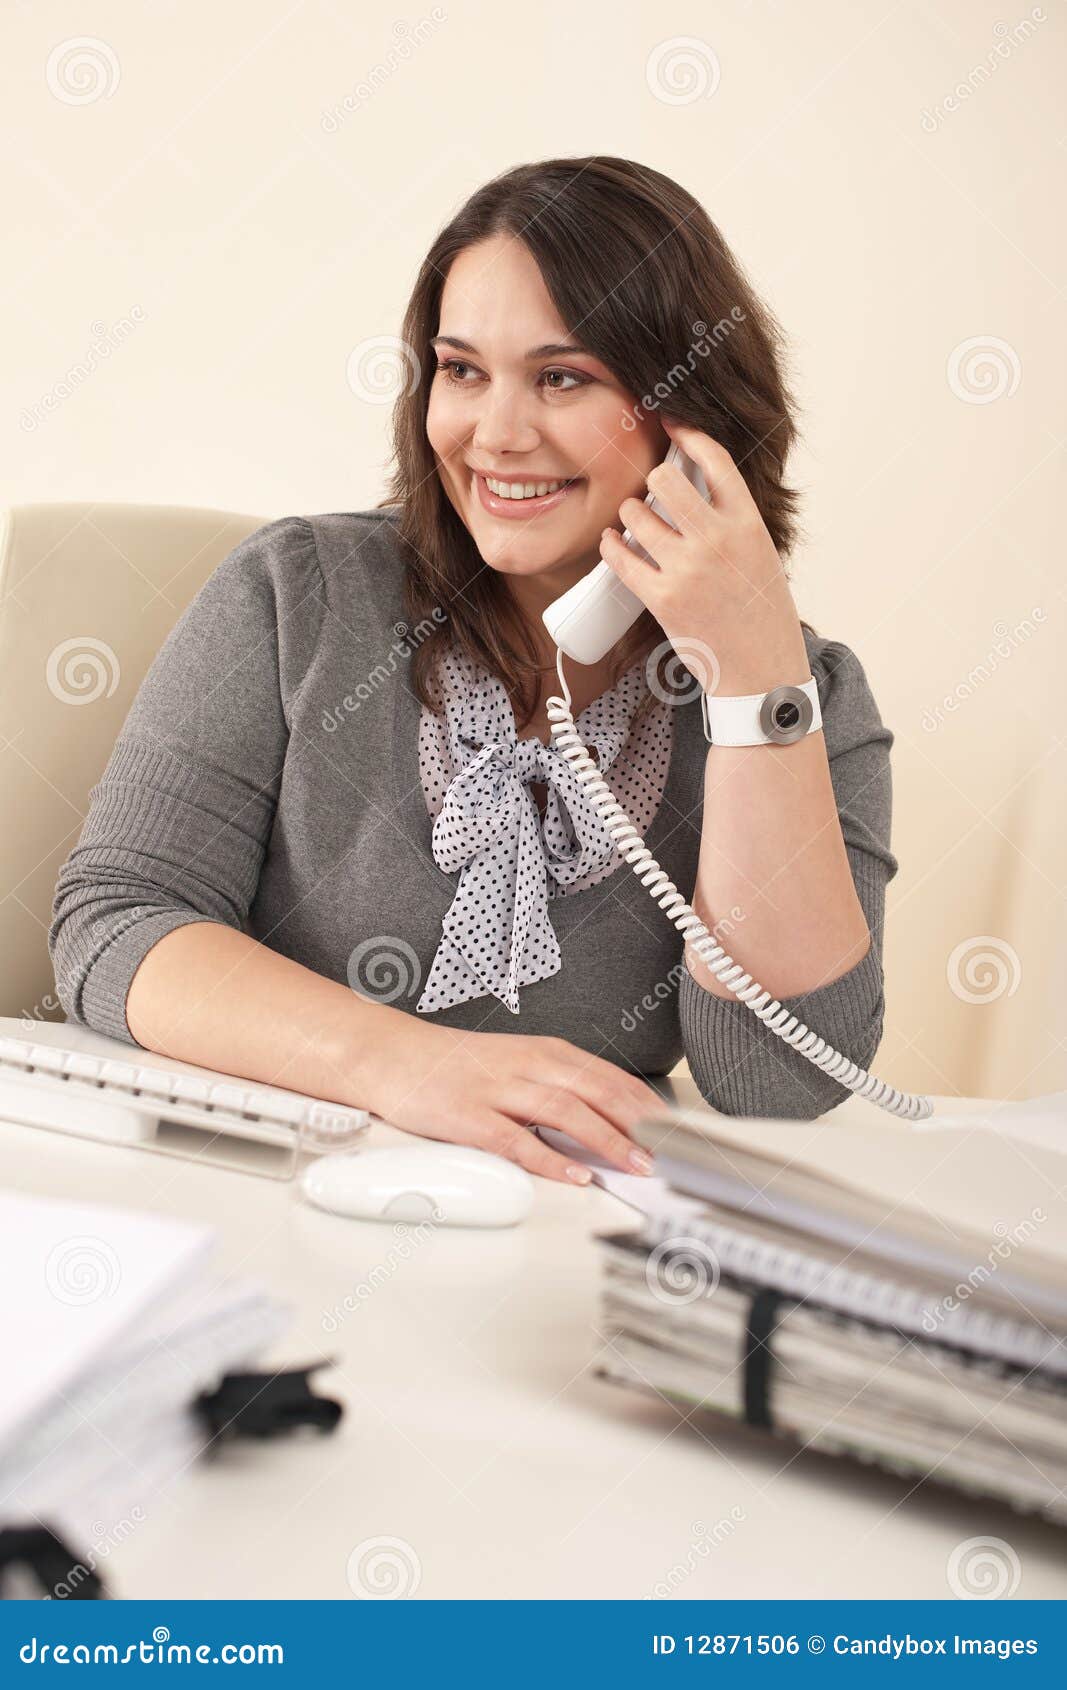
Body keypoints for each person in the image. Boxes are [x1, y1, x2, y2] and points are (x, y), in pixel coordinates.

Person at [49, 156, 897, 1185]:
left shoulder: (807, 702)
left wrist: (749, 677)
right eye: (461, 370)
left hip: (552, 1242)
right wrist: (405, 1064)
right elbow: (117, 920)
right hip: (255, 1189)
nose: (494, 434)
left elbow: (775, 1080)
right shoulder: (297, 593)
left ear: (693, 418)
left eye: (561, 376)